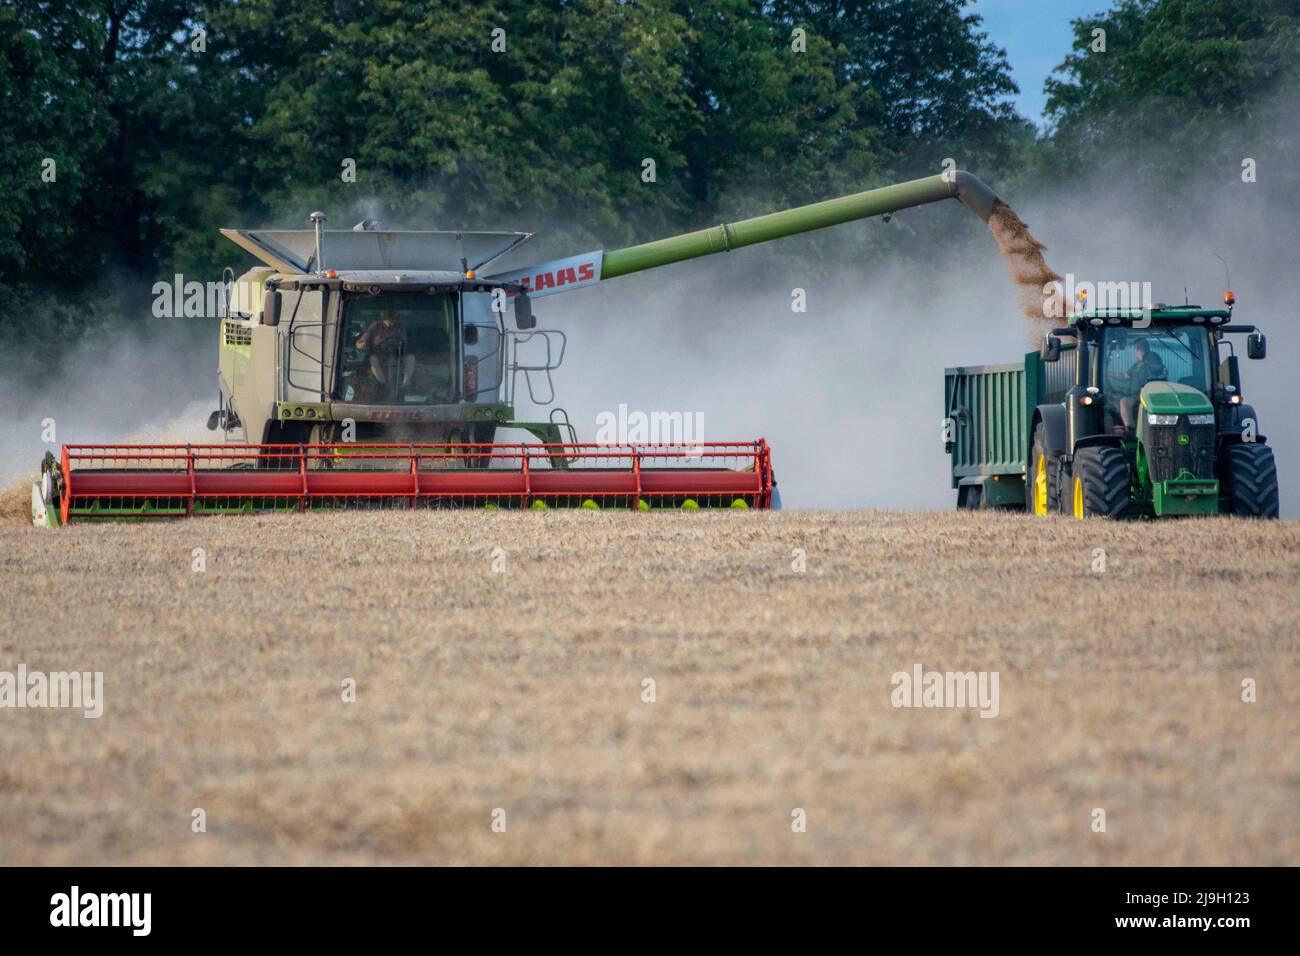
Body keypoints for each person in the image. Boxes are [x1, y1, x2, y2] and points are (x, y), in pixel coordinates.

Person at [355, 309, 415, 388]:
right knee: (373, 359)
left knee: (411, 358)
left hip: (398, 355)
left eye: (394, 319)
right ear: (383, 319)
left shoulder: (401, 327)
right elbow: (360, 342)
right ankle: (382, 384)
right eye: (389, 319)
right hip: (380, 355)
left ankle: (405, 384)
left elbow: (404, 342)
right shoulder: (376, 326)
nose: (392, 322)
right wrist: (362, 344)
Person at [1116, 339, 1167, 430]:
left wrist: (1145, 365)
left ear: (1137, 349)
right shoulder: (1138, 364)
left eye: (1133, 350)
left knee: (1124, 402)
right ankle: (1130, 428)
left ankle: (1130, 429)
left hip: (1150, 395)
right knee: (1121, 400)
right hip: (1138, 395)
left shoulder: (1152, 357)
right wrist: (1108, 374)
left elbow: (1158, 367)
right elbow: (1125, 376)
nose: (1132, 353)